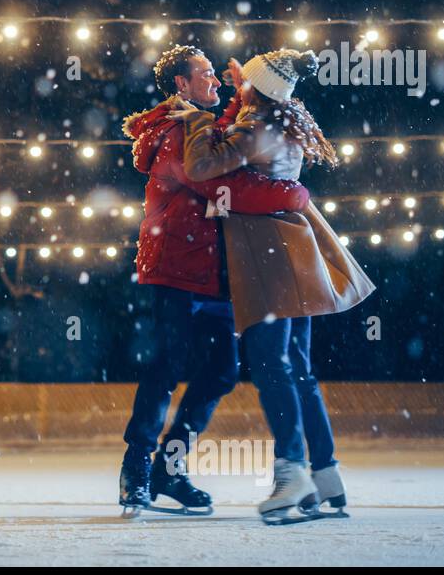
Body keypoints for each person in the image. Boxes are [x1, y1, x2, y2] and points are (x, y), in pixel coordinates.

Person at [170, 49, 376, 521]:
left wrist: (198, 119)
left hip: (267, 255)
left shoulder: (255, 126)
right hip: (293, 248)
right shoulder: (281, 118)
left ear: (256, 89)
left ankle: (291, 473)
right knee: (298, 367)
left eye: (245, 83)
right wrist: (248, 85)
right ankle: (326, 477)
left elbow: (203, 167)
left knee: (271, 363)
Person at [118, 45, 312, 513]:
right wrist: (291, 193)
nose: (216, 81)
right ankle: (137, 469)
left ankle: (171, 467)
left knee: (223, 370)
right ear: (181, 84)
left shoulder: (204, 124)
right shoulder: (174, 130)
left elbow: (229, 148)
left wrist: (246, 91)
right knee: (168, 364)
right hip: (177, 268)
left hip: (215, 274)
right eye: (204, 74)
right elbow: (216, 183)